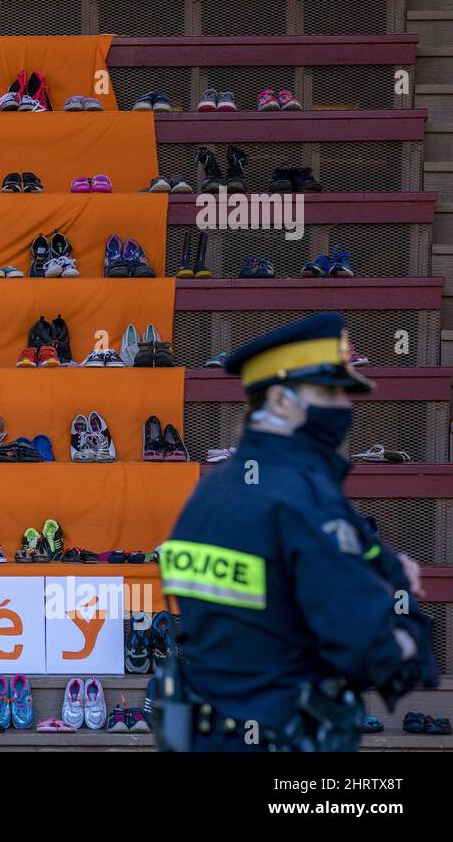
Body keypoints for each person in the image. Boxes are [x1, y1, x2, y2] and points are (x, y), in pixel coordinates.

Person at [156, 312, 436, 751]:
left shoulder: (209, 493)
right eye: (327, 392)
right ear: (281, 402)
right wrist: (406, 638)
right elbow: (364, 647)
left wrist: (380, 562)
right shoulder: (305, 497)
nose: (345, 407)